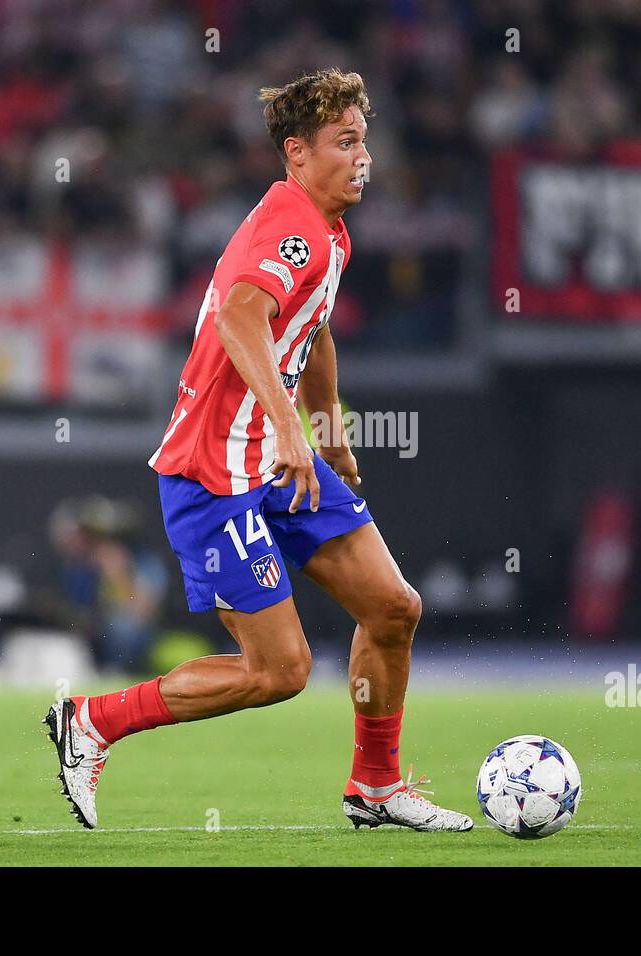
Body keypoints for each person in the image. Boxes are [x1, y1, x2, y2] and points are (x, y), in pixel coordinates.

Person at [44, 70, 472, 832]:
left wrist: (329, 431)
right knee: (281, 672)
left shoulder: (327, 230)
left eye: (364, 141)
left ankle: (375, 788)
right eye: (345, 143)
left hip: (275, 465)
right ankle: (93, 721)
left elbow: (315, 327)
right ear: (297, 153)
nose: (362, 157)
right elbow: (244, 319)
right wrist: (288, 428)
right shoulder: (292, 229)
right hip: (214, 474)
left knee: (393, 608)